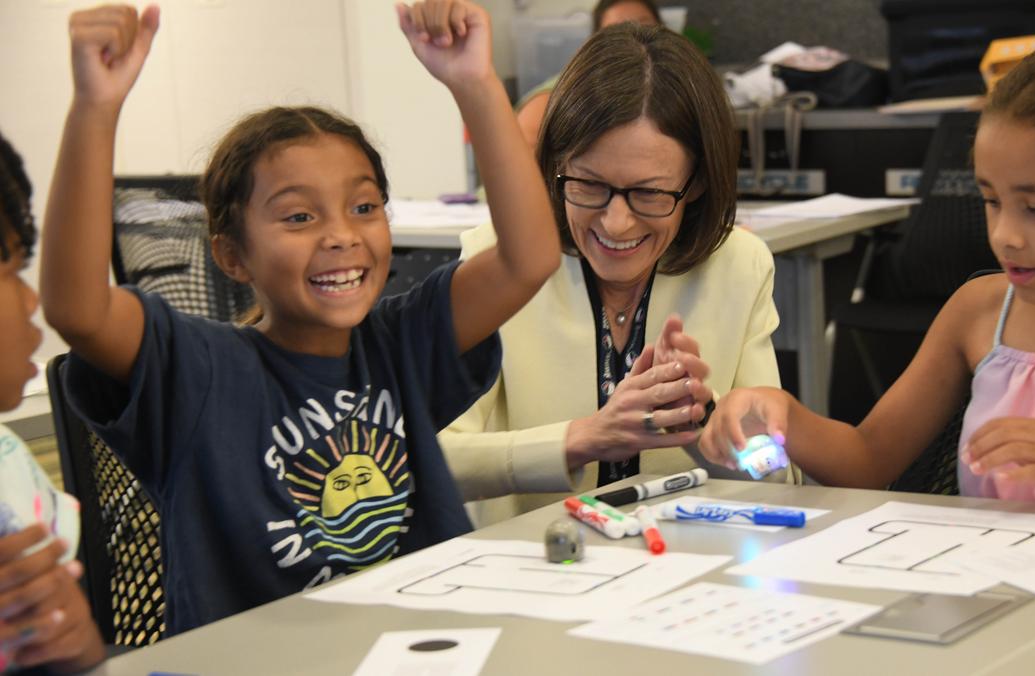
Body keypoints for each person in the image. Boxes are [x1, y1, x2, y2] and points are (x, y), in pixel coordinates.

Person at [39, 0, 558, 635]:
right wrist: (97, 107)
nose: (342, 235)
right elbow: (77, 307)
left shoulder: (401, 344)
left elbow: (530, 257)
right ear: (232, 256)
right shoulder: (200, 374)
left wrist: (474, 83)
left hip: (415, 647)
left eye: (364, 206)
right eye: (298, 216)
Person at [700, 31, 1035, 512]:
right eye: (991, 200)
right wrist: (786, 413)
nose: (1006, 234)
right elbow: (870, 460)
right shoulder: (979, 308)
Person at [443, 23, 786, 525]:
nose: (615, 222)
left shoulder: (739, 265)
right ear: (556, 165)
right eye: (587, 184)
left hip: (688, 573)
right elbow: (428, 459)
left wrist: (702, 421)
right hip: (532, 570)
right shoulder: (496, 263)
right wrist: (584, 437)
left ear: (697, 184)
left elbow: (779, 478)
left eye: (649, 193)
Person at [0, 132, 105, 673]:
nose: (30, 299)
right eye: (12, 270)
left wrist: (66, 632)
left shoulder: (9, 463)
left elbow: (78, 657)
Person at [515, 0, 661, 148]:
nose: (634, 38)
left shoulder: (677, 82)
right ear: (597, 42)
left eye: (644, 26)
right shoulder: (562, 92)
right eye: (617, 32)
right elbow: (523, 149)